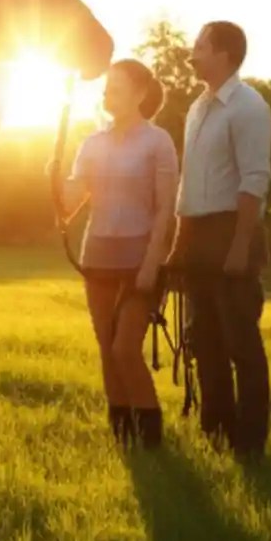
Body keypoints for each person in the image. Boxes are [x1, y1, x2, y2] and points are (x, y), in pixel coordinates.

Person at [167, 20, 271, 460]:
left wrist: (239, 246)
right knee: (203, 339)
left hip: (232, 231)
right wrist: (178, 246)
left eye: (200, 46)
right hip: (197, 234)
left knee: (240, 342)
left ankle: (250, 441)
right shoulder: (198, 108)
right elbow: (188, 184)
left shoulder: (248, 107)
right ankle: (216, 429)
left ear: (225, 54)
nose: (192, 53)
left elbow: (255, 179)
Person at [60, 59, 179, 449]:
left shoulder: (157, 141)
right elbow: (70, 202)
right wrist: (56, 179)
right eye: (106, 86)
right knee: (106, 349)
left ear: (140, 93)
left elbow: (165, 208)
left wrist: (152, 262)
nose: (107, 92)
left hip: (139, 259)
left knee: (125, 348)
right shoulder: (92, 143)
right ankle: (121, 430)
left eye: (117, 86)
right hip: (97, 256)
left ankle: (150, 432)